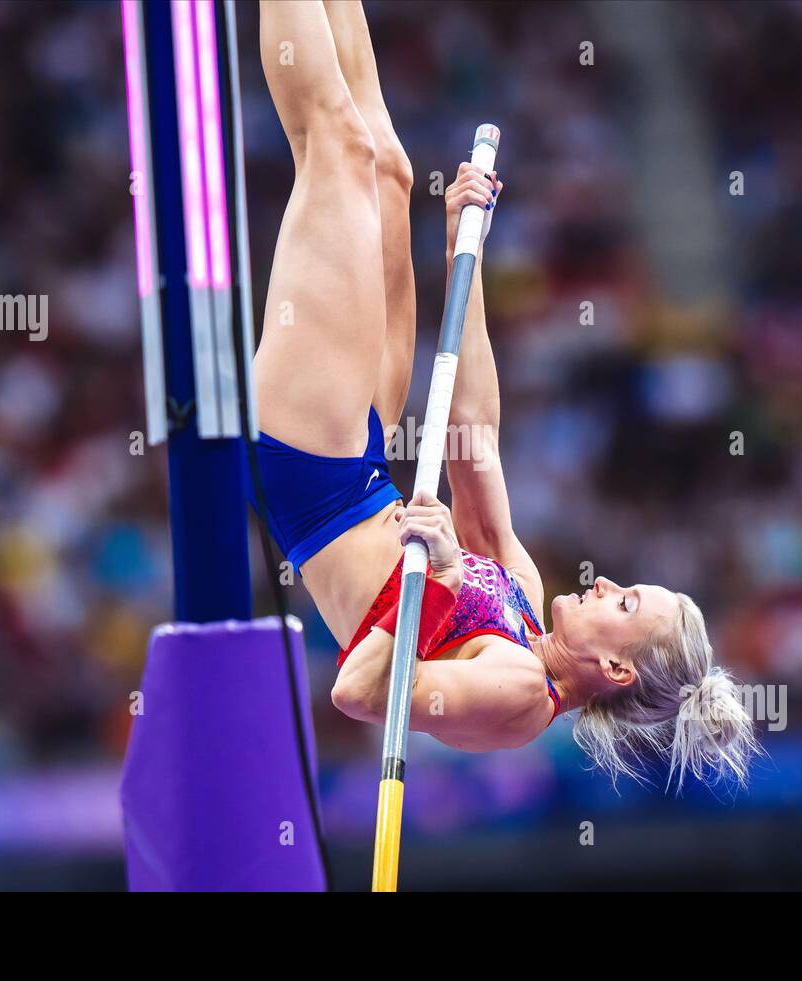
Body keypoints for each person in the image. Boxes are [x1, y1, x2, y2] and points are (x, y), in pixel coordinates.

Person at [250, 0, 756, 789]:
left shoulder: (520, 699)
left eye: (624, 604)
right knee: (387, 166)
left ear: (616, 667)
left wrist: (445, 577)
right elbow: (475, 436)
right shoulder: (521, 595)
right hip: (366, 459)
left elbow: (360, 692)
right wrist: (468, 250)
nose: (607, 584)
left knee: (338, 151)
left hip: (313, 478)